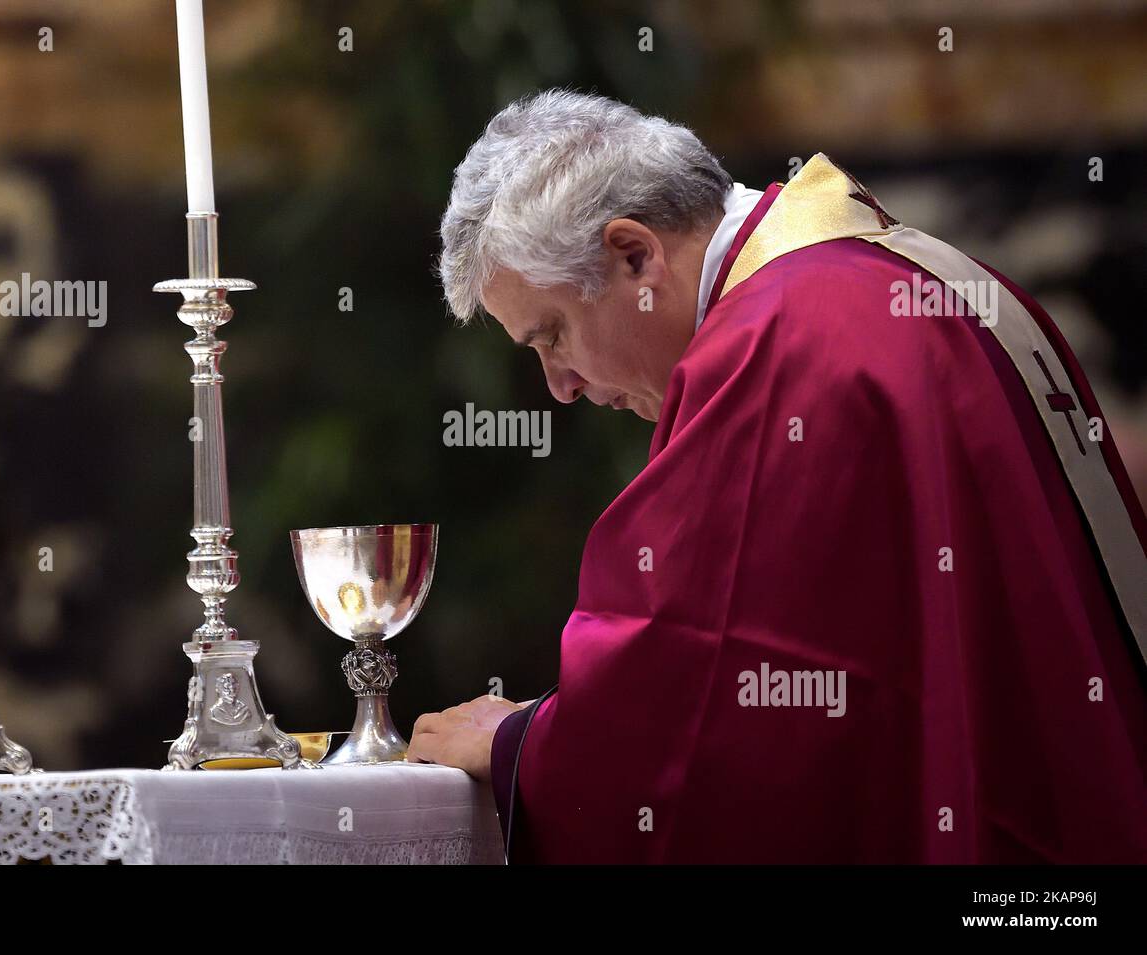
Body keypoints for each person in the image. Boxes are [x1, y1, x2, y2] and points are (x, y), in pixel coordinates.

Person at [408, 89, 1147, 863]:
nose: (559, 384)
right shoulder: (896, 278)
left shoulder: (777, 348)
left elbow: (717, 704)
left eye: (552, 334)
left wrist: (525, 744)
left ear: (635, 255)